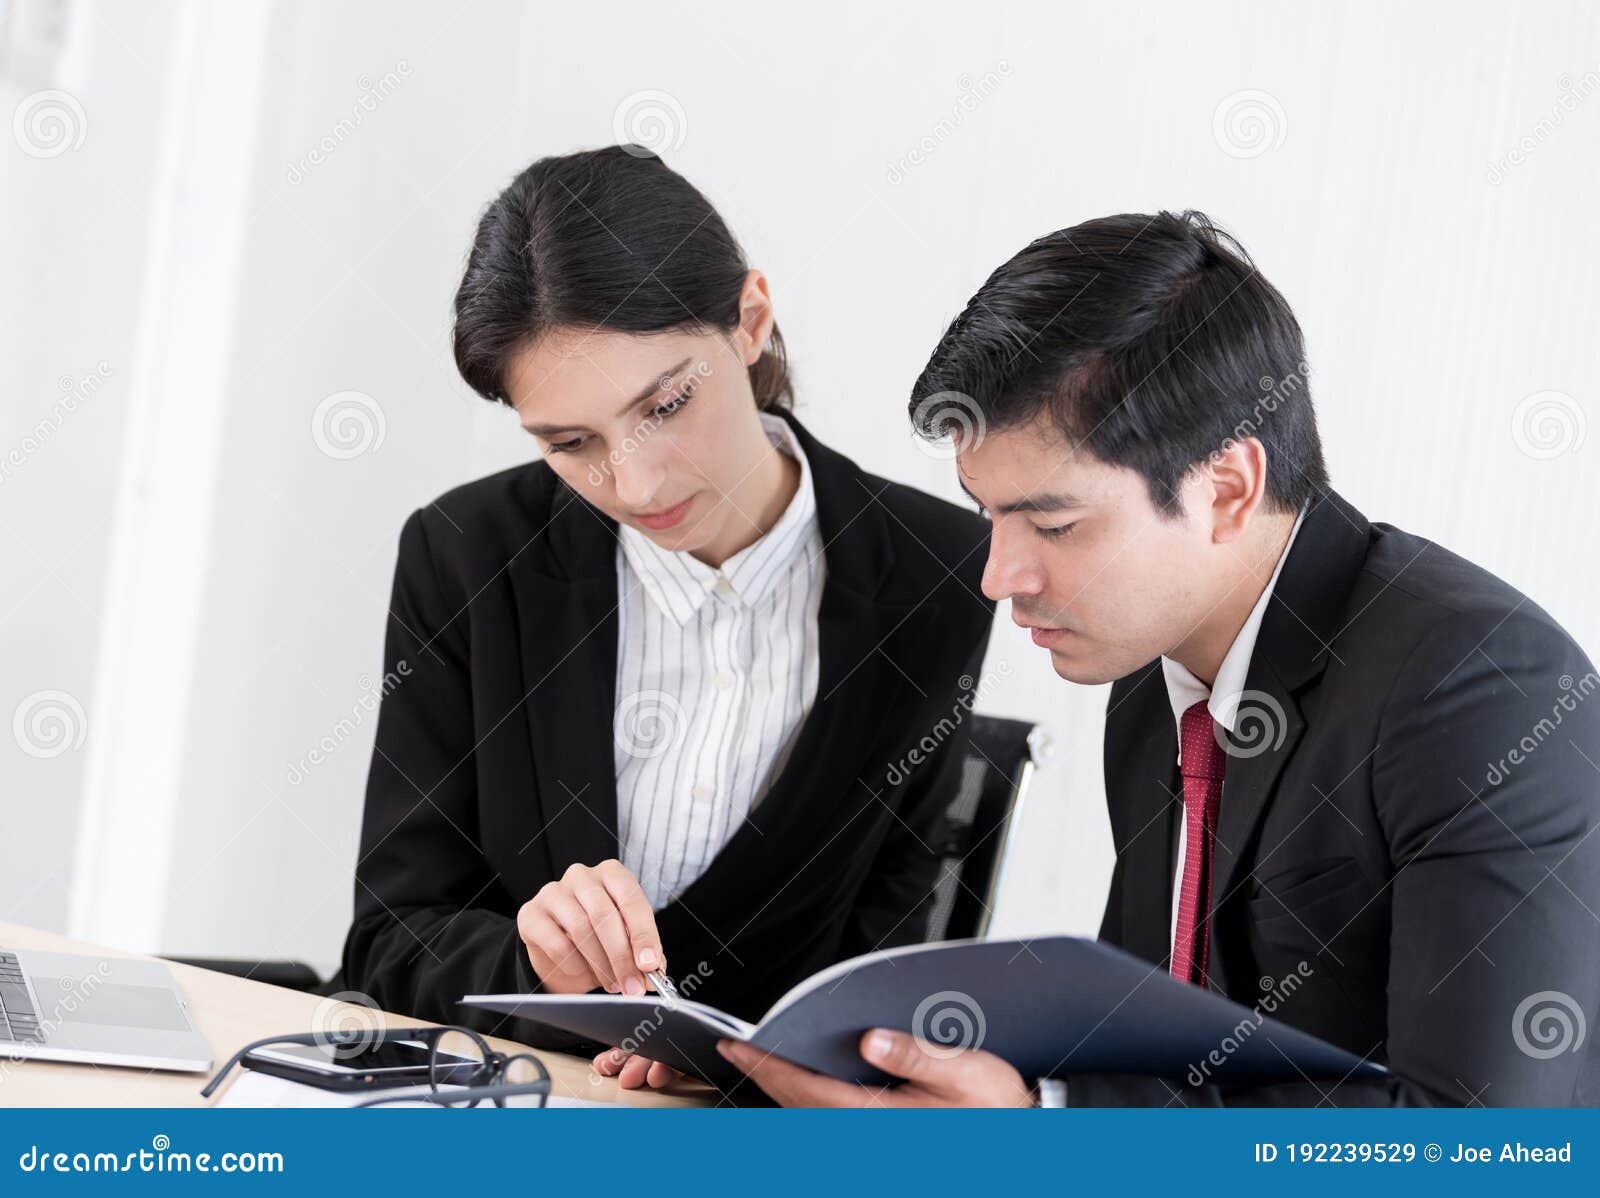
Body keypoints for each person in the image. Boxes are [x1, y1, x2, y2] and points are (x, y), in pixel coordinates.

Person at [717, 210, 1600, 1106]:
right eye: (990, 515)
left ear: (1228, 489)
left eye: (1054, 525)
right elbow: (1144, 1050)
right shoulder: (1154, 679)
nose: (997, 576)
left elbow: (1472, 1148)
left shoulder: (1486, 689)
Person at [341, 147, 993, 1089]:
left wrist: (751, 1067)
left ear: (751, 321)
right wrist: (537, 966)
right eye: (572, 442)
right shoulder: (468, 556)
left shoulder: (939, 572)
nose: (636, 484)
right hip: (513, 1100)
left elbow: (886, 962)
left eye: (668, 404)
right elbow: (389, 942)